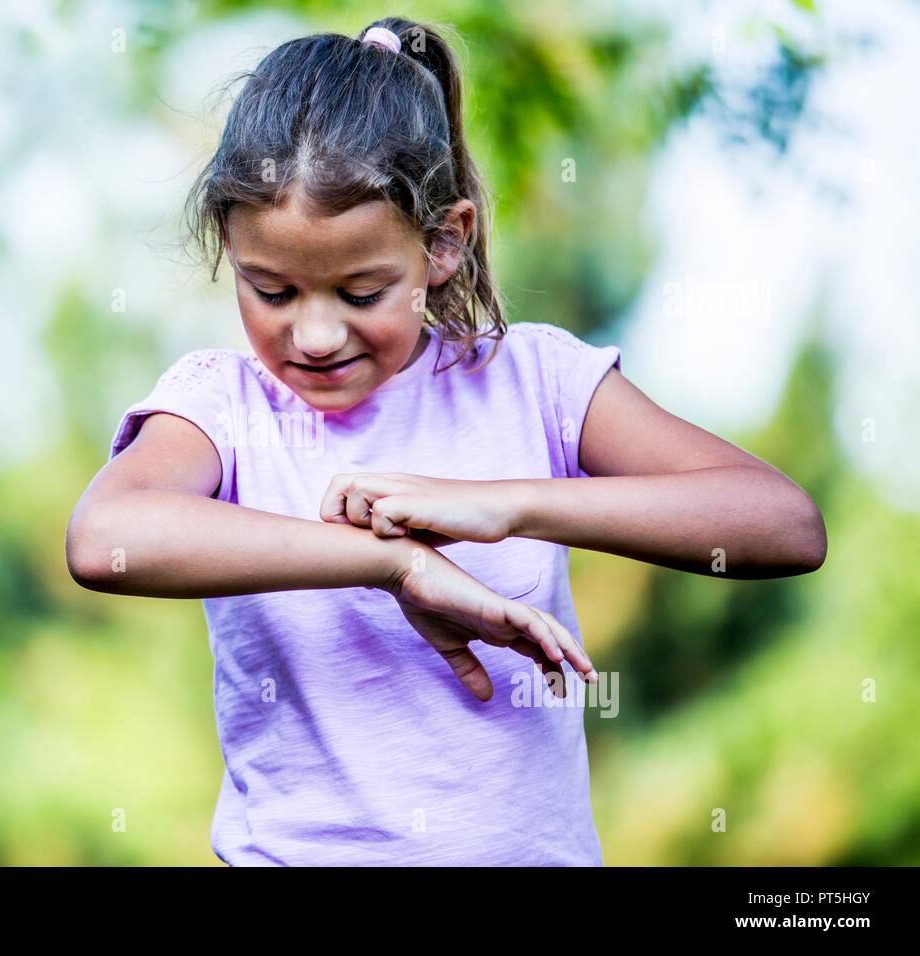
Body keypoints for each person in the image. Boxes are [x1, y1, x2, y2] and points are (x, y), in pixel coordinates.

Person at [65, 17, 827, 866]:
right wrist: (395, 564)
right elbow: (105, 541)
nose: (313, 335)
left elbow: (783, 525)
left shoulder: (534, 381)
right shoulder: (220, 405)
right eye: (272, 290)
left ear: (443, 243)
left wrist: (499, 507)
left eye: (360, 292)